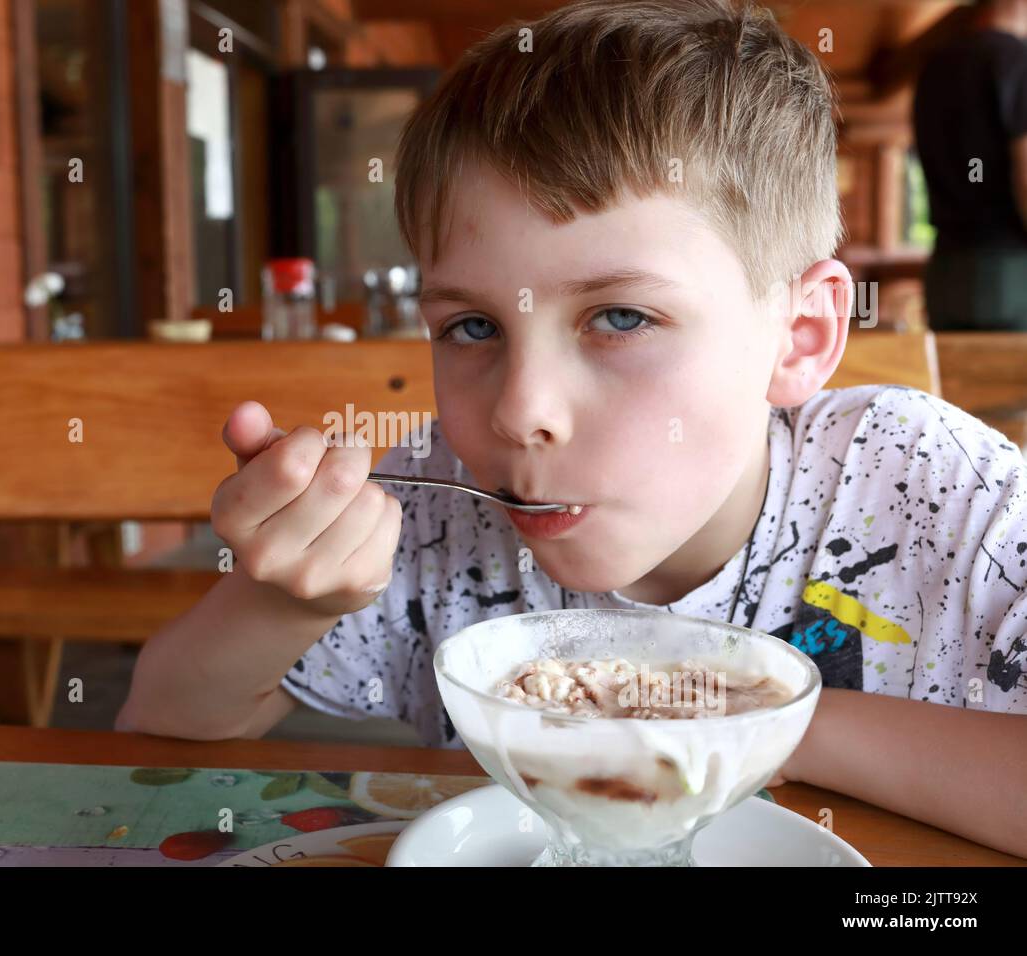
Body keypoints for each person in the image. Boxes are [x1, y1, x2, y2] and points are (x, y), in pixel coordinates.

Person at [118, 0, 1027, 858]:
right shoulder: (434, 516)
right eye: (472, 328)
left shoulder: (927, 491)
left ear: (801, 334)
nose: (520, 411)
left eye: (621, 318)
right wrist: (282, 601)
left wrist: (769, 723)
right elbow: (159, 739)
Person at [913, 0, 1027, 331]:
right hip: (1007, 278)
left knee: (946, 382)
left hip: (942, 274)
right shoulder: (1017, 60)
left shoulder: (933, 67)